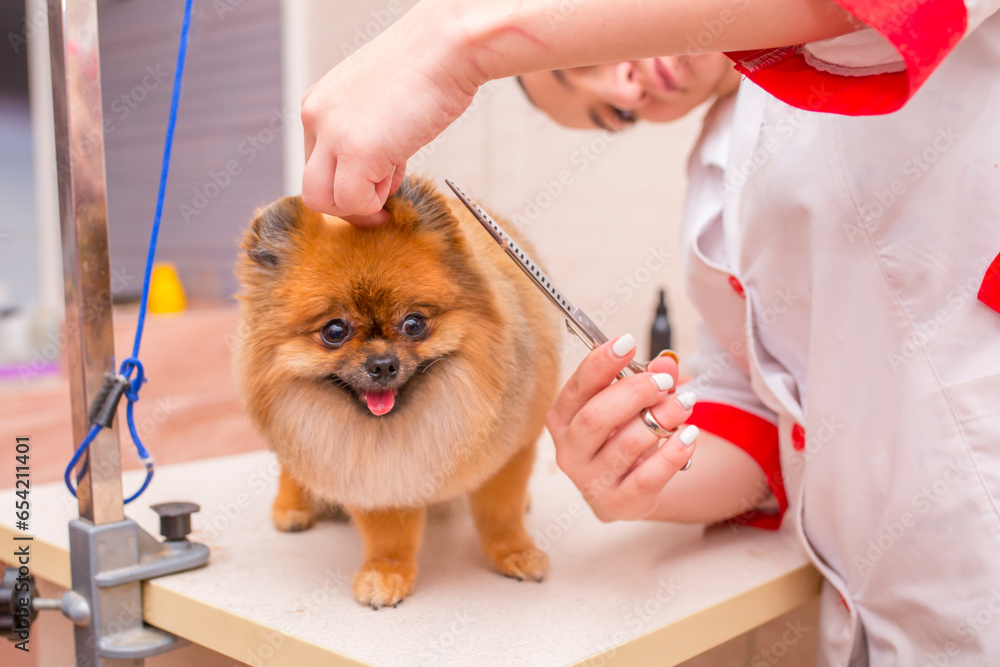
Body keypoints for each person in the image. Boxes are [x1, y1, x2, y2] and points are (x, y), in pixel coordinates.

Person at [299, 2, 1000, 665]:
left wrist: (454, 37)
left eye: (581, 51)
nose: (626, 87)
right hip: (887, 620)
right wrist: (644, 478)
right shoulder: (719, 188)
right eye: (613, 115)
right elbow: (760, 417)